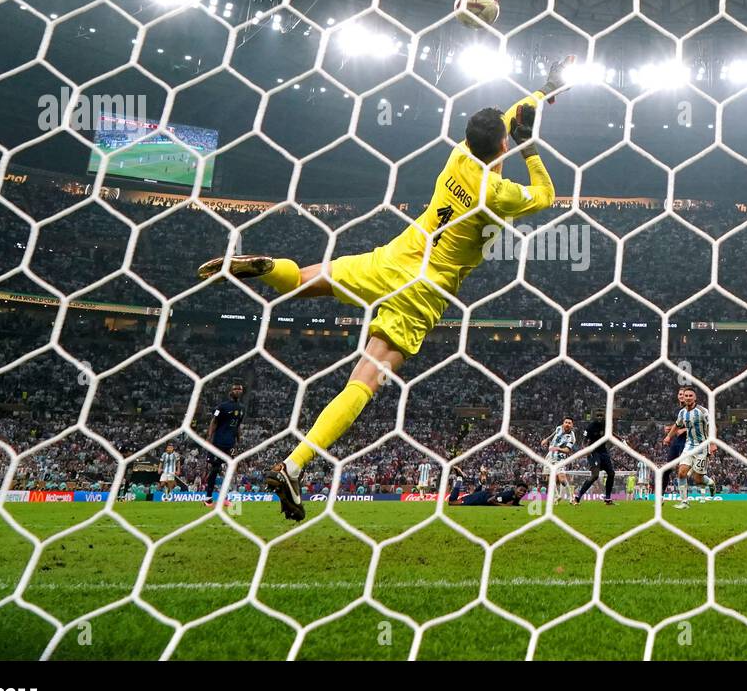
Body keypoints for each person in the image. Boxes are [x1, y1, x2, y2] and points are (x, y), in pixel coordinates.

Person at [197, 59, 574, 522]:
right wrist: (530, 145)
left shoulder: (458, 157)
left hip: (395, 257)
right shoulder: (497, 193)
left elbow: (505, 118)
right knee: (367, 378)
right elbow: (547, 193)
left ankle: (268, 266)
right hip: (424, 289)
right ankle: (295, 464)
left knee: (301, 283)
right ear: (502, 144)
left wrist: (544, 91)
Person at [204, 381, 245, 508]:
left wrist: (239, 439)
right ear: (230, 392)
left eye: (240, 389)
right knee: (215, 469)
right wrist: (209, 437)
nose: (237, 391)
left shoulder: (242, 409)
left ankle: (224, 497)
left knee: (230, 469)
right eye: (235, 389)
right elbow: (214, 421)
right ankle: (208, 497)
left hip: (230, 444)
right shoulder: (222, 407)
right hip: (218, 442)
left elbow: (237, 425)